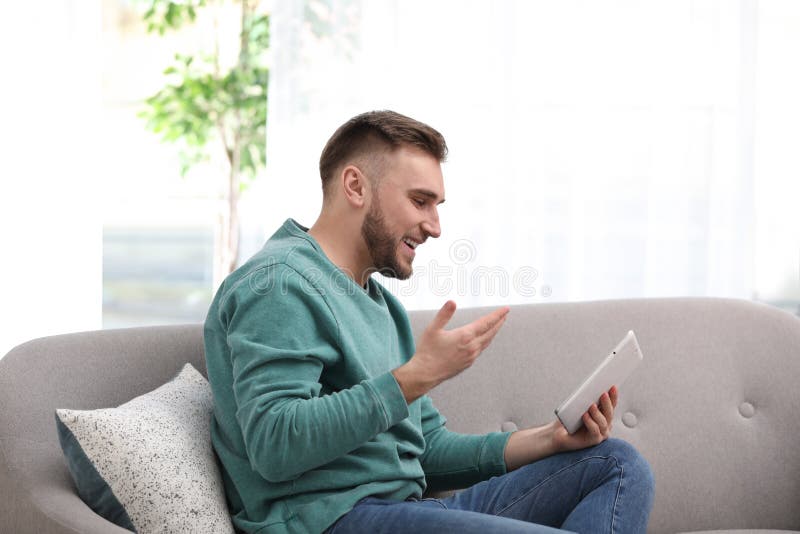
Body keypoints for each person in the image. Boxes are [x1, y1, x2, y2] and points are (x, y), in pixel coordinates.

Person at [203, 110, 655, 534]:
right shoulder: (277, 283)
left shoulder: (379, 303)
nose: (435, 226)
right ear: (356, 187)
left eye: (437, 205)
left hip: (408, 512)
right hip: (332, 521)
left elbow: (427, 449)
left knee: (618, 464)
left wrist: (551, 439)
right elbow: (274, 444)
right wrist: (412, 378)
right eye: (420, 201)